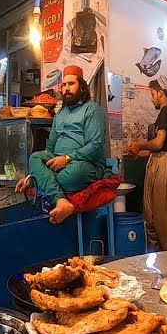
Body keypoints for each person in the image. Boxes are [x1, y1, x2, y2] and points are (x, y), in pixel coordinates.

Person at [26, 65, 109, 224]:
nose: (66, 89)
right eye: (64, 85)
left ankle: (46, 185)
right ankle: (61, 201)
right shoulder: (60, 113)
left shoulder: (92, 110)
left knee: (70, 176)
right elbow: (49, 149)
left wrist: (67, 158)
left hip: (84, 163)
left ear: (82, 87)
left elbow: (96, 145)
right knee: (35, 157)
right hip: (58, 161)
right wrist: (33, 172)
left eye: (71, 84)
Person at [128, 76, 167, 250]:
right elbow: (158, 148)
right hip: (158, 162)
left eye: (152, 94)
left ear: (160, 93)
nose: (151, 99)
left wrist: (139, 145)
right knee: (151, 216)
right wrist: (139, 153)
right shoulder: (164, 114)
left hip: (165, 166)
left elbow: (158, 144)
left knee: (164, 219)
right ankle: (158, 259)